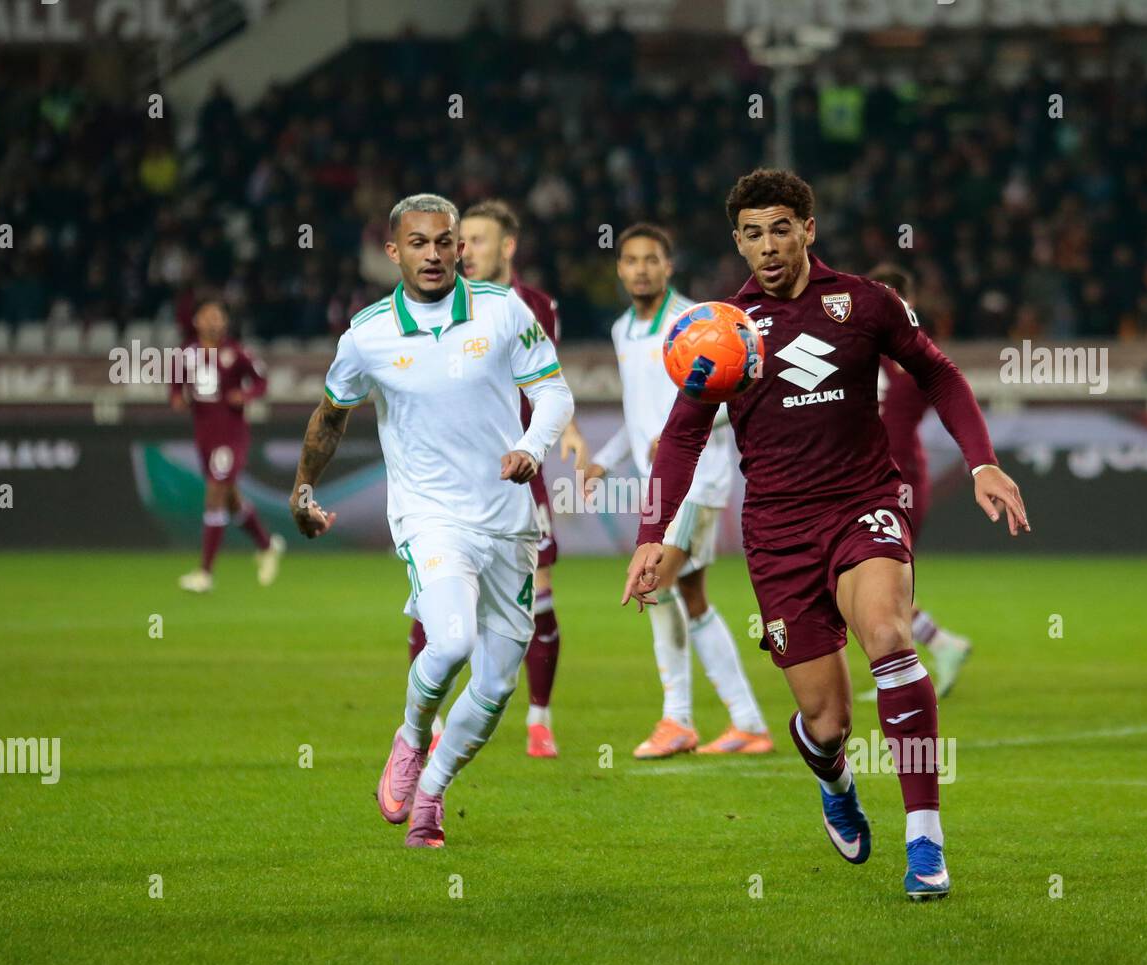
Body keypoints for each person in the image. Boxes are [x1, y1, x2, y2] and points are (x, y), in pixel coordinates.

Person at [621, 170, 1029, 899]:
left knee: (890, 636)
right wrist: (655, 531)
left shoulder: (865, 302)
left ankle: (925, 840)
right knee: (826, 719)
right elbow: (680, 439)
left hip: (864, 503)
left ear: (809, 229)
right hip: (778, 533)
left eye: (781, 228)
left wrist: (983, 462)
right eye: (752, 233)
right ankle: (835, 780)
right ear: (737, 241)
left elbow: (938, 375)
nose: (768, 245)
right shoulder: (725, 331)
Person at [289, 194, 573, 848]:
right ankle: (412, 737)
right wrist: (304, 488)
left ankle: (433, 791)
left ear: (460, 248)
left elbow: (554, 391)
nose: (434, 254)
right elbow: (331, 416)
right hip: (430, 516)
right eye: (418, 243)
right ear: (394, 252)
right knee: (449, 641)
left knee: (499, 682)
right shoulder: (367, 335)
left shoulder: (504, 311)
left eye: (444, 241)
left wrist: (532, 447)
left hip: (509, 519)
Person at [405, 199, 587, 758]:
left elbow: (544, 382)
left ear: (506, 246)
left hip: (516, 472)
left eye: (477, 241)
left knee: (540, 596)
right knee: (434, 603)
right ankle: (426, 725)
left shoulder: (532, 306)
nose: (465, 253)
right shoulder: (438, 304)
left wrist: (566, 430)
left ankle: (539, 718)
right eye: (464, 242)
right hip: (448, 479)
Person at [586, 222, 771, 758]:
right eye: (630, 260)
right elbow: (638, 413)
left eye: (651, 259)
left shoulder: (700, 322)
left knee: (655, 586)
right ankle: (748, 724)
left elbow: (733, 396)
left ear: (668, 266)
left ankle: (678, 720)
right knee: (688, 598)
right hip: (661, 487)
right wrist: (604, 459)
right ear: (619, 269)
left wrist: (680, 434)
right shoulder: (624, 330)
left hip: (698, 480)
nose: (641, 268)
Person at [854, 264, 972, 701]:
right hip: (866, 479)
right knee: (864, 585)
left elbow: (951, 390)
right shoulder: (859, 347)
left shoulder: (911, 353)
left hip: (897, 480)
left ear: (908, 303)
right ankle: (934, 650)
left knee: (873, 584)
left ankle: (917, 663)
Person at [169, 300, 284, 593]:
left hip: (231, 435)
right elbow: (175, 385)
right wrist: (177, 399)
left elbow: (261, 381)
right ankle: (267, 545)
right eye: (208, 315)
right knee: (231, 499)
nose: (214, 321)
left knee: (215, 495)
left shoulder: (237, 352)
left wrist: (245, 395)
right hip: (204, 435)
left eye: (218, 316)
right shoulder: (186, 353)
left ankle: (205, 573)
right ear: (196, 320)